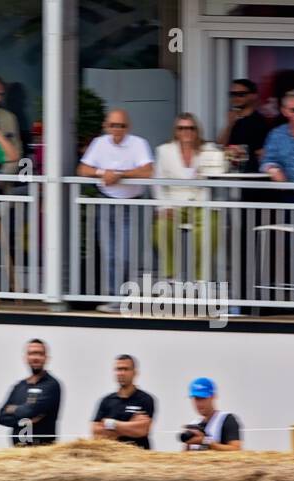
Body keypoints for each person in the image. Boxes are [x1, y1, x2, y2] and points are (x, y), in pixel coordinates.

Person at [76, 109, 154, 311]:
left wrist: (119, 175)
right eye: (113, 125)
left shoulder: (138, 143)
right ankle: (114, 298)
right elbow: (82, 169)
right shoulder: (99, 143)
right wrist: (103, 172)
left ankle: (124, 296)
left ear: (128, 127)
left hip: (131, 204)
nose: (117, 129)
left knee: (126, 255)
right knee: (110, 255)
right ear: (106, 126)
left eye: (121, 125)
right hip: (106, 202)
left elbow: (148, 170)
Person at [153, 113, 215, 279]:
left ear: (196, 130)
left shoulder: (207, 149)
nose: (186, 131)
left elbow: (217, 170)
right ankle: (170, 275)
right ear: (176, 131)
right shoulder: (164, 151)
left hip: (201, 202)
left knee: (210, 227)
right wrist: (163, 206)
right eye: (182, 128)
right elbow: (158, 182)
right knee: (162, 226)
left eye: (190, 128)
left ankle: (201, 277)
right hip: (174, 202)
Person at [0, 338, 61, 445]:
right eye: (31, 353)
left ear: (46, 358)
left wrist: (13, 409)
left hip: (43, 451)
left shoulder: (51, 385)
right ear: (25, 358)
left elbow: (30, 411)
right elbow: (0, 416)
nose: (35, 358)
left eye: (39, 354)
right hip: (18, 451)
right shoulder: (19, 386)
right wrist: (25, 420)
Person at [90, 354, 155, 449]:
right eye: (118, 369)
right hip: (112, 458)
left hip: (139, 458)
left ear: (135, 372)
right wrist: (129, 426)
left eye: (125, 369)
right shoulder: (106, 401)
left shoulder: (145, 399)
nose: (121, 373)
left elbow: (142, 430)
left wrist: (110, 424)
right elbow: (96, 432)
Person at [216, 78, 272, 173]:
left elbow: (263, 154)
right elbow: (220, 147)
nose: (235, 98)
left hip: (253, 178)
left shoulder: (260, 122)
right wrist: (229, 124)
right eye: (232, 94)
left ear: (253, 96)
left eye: (240, 94)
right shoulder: (233, 120)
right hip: (232, 176)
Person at [180, 377, 242, 451]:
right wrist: (187, 444)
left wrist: (205, 441)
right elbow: (184, 457)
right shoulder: (193, 424)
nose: (199, 403)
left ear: (213, 397)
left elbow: (236, 450)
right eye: (196, 399)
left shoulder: (227, 419)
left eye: (202, 398)